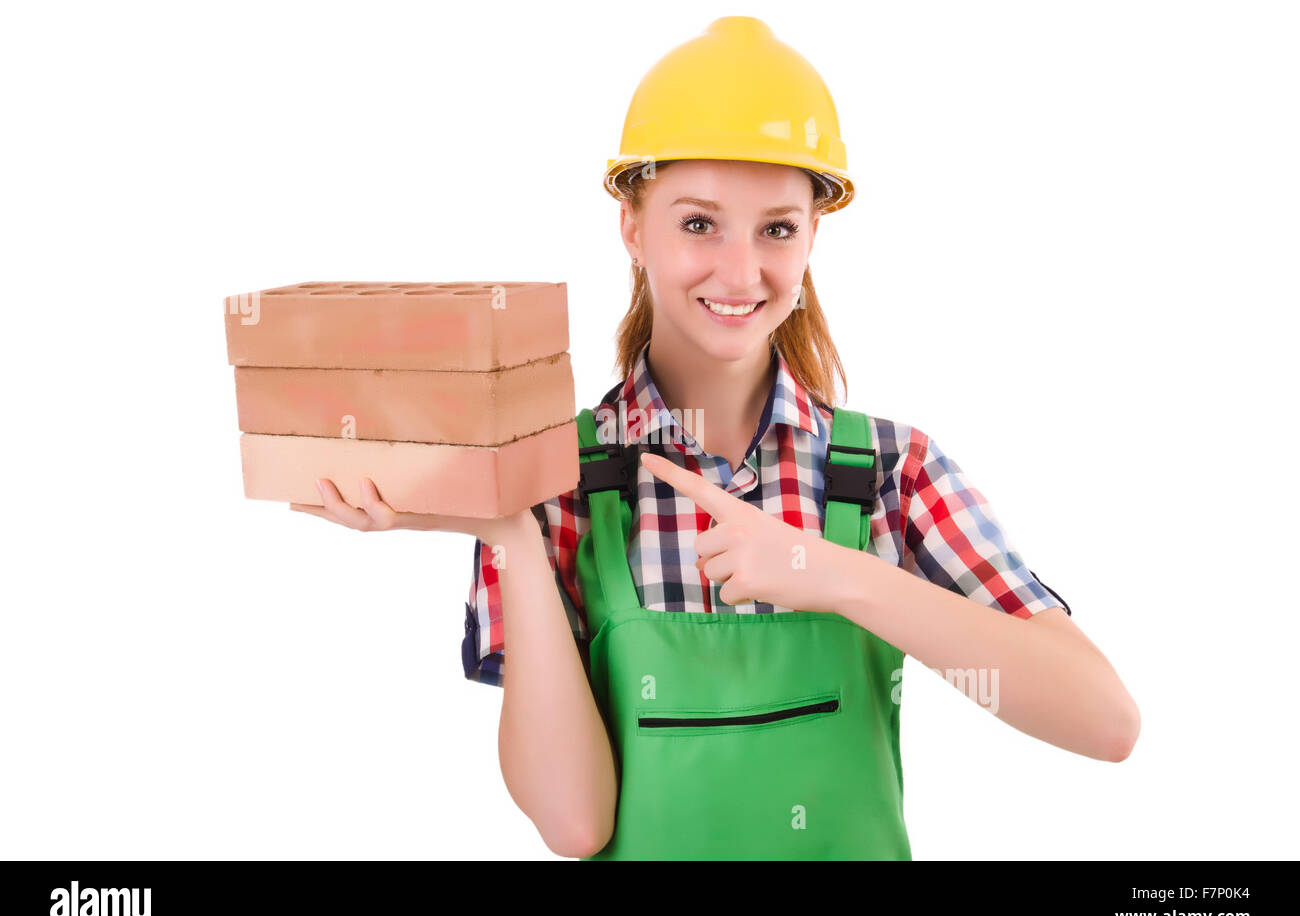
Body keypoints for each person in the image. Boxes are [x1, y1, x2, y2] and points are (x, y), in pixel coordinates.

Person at [293, 16, 1140, 860]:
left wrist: (831, 572)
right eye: (699, 223)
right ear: (632, 226)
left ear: (813, 236)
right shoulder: (547, 478)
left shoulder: (888, 472)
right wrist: (505, 530)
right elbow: (574, 824)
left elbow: (1105, 720)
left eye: (777, 228)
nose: (741, 272)